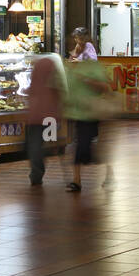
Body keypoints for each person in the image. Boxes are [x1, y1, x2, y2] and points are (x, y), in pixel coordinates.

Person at [63, 52, 112, 192]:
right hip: (77, 113)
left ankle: (108, 173)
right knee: (79, 146)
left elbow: (104, 87)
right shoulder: (72, 69)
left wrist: (84, 79)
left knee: (87, 148)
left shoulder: (93, 67)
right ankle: (76, 180)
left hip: (91, 113)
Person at [24, 47, 66, 186]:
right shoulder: (53, 69)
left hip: (35, 113)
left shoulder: (36, 72)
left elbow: (30, 90)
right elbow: (60, 90)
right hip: (50, 115)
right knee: (47, 142)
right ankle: (43, 166)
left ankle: (36, 173)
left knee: (34, 143)